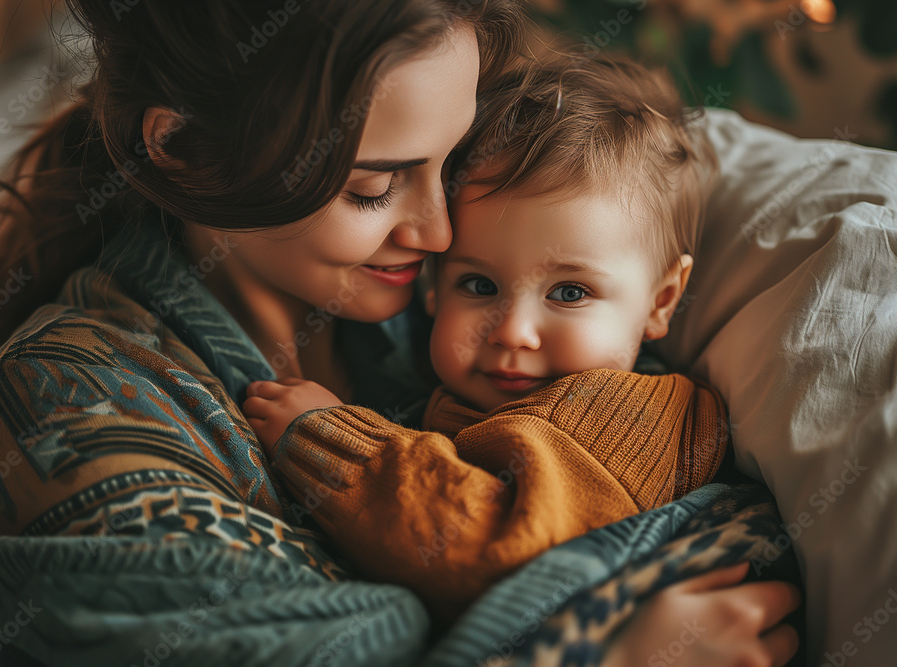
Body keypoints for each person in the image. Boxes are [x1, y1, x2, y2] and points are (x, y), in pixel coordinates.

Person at [0, 2, 800, 665]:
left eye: (449, 165)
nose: (438, 232)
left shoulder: (460, 307)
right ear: (188, 149)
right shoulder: (61, 396)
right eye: (374, 188)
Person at [240, 51, 731, 628]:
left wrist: (330, 438)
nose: (514, 332)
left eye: (569, 293)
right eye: (478, 284)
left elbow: (493, 555)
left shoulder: (628, 414)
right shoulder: (449, 388)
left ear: (661, 301)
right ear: (433, 287)